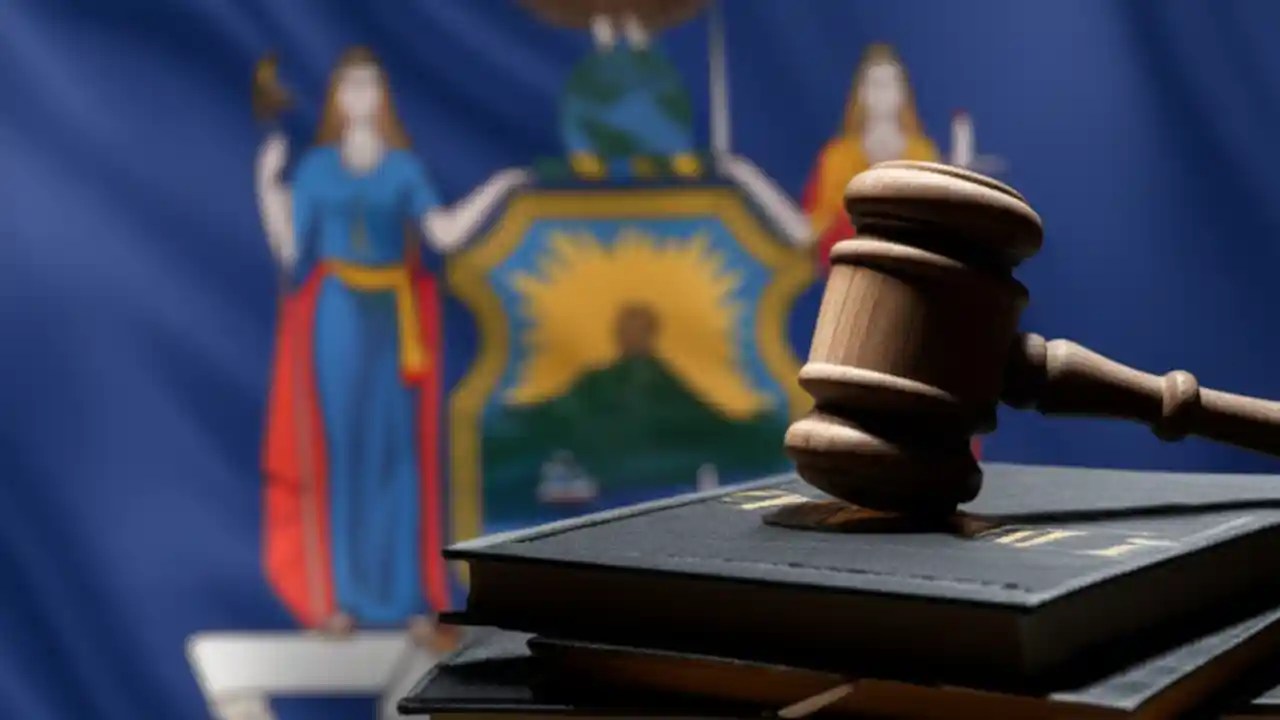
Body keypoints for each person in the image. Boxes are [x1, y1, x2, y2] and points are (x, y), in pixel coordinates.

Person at [254, 47, 459, 646]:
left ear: (382, 96)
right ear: (337, 99)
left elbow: (442, 233)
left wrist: (498, 191)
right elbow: (293, 249)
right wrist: (267, 186)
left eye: (369, 85)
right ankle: (344, 601)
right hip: (339, 314)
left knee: (399, 453)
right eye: (350, 87)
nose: (360, 97)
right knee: (343, 453)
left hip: (393, 318)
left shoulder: (403, 168)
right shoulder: (317, 169)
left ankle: (413, 602)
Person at [801, 44, 941, 269]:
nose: (882, 92)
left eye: (891, 84)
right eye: (875, 84)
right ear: (861, 93)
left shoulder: (923, 154)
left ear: (903, 94)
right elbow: (814, 228)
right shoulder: (835, 157)